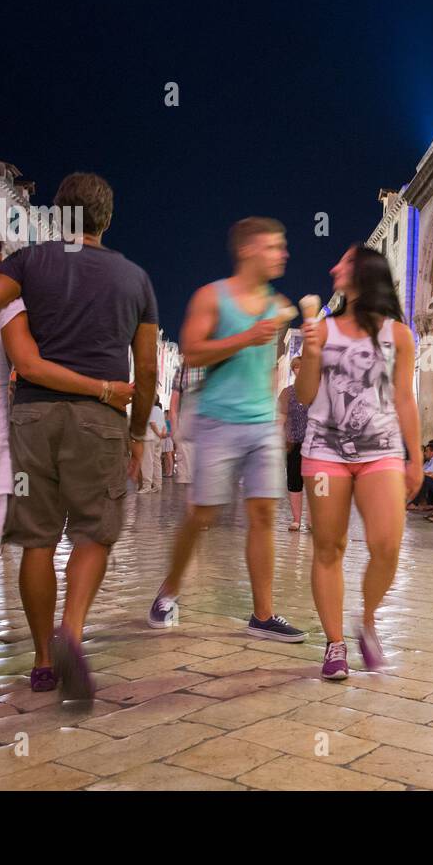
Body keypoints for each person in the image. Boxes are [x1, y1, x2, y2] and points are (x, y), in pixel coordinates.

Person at [0, 173, 158, 700]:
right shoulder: (136, 279)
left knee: (37, 541)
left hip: (32, 418)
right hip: (101, 417)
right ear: (107, 220)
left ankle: (43, 659)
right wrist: (137, 432)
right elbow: (149, 367)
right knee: (93, 534)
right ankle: (72, 629)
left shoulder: (28, 263)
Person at [148, 217, 306, 645]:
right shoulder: (212, 297)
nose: (283, 254)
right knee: (202, 515)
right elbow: (192, 353)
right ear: (248, 250)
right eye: (274, 247)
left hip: (261, 425)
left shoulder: (279, 306)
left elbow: (268, 367)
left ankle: (263, 614)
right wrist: (247, 337)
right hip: (218, 420)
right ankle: (167, 593)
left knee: (263, 515)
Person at [296, 244, 421, 679]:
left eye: (344, 262)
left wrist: (415, 457)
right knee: (329, 546)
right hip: (325, 452)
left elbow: (405, 397)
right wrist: (310, 353)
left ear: (365, 274)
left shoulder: (398, 335)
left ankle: (367, 619)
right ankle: (334, 644)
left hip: (382, 451)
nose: (333, 267)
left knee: (387, 544)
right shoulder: (322, 330)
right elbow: (306, 395)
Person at [277, 356, 310, 530]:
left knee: (313, 483)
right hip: (293, 444)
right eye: (296, 367)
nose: (299, 370)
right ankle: (296, 519)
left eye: (302, 367)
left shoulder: (317, 392)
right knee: (294, 481)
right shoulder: (287, 393)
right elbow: (280, 419)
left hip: (314, 445)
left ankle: (312, 521)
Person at [169, 363, 205, 484]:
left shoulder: (218, 362)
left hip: (212, 432)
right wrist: (175, 432)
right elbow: (173, 405)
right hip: (187, 433)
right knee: (189, 485)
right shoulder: (183, 368)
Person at [407, 440, 433, 510]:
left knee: (423, 478)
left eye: (426, 451)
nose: (424, 453)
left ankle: (414, 503)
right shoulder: (430, 460)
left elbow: (428, 473)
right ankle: (421, 503)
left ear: (432, 453)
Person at [138, 395, 166, 494]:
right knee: (157, 462)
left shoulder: (151, 410)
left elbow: (152, 424)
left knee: (147, 462)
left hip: (150, 438)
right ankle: (158, 485)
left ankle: (147, 486)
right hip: (158, 439)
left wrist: (158, 433)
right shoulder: (160, 411)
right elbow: (164, 426)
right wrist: (161, 435)